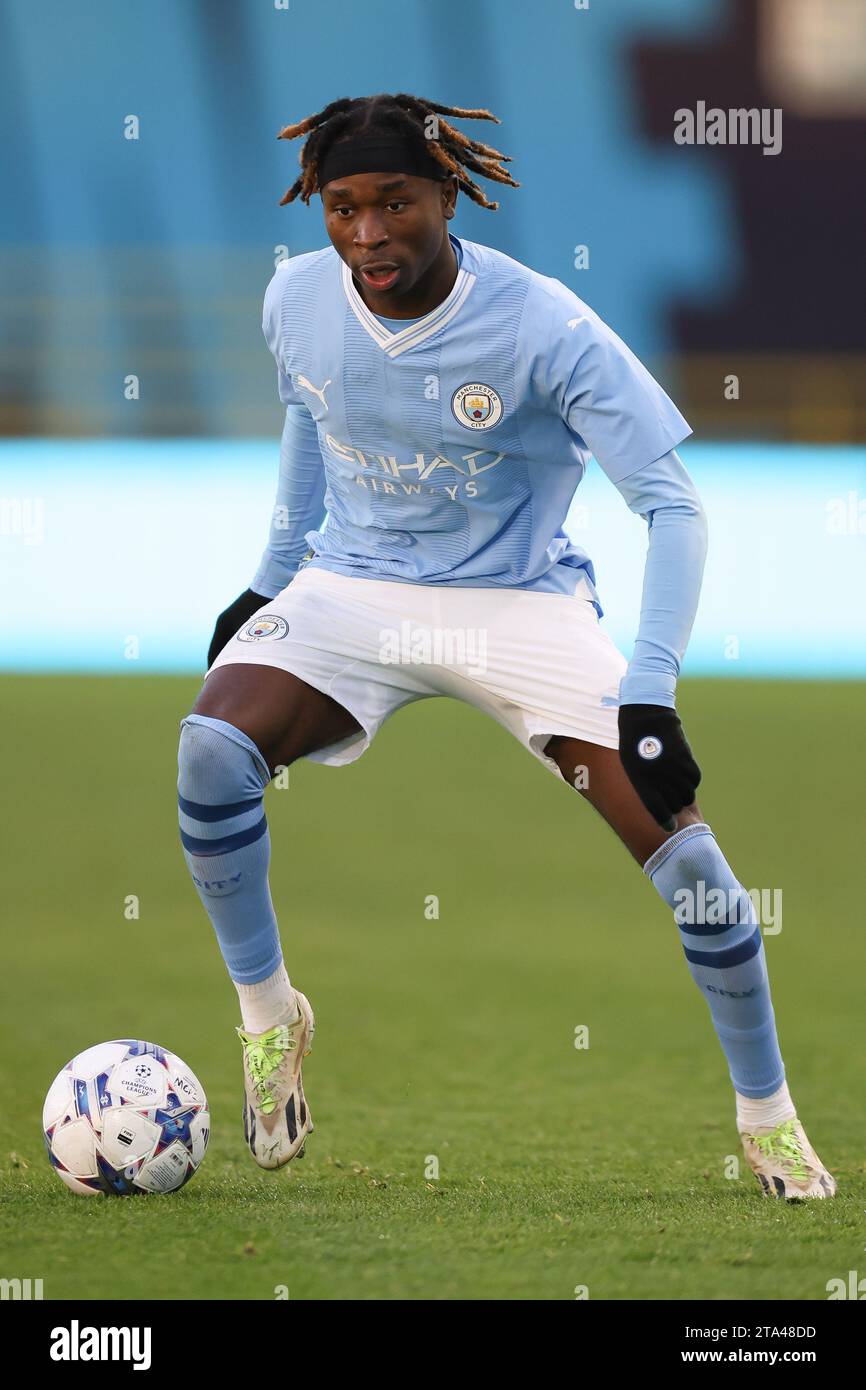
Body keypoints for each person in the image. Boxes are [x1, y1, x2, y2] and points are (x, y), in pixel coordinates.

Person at [177, 92, 834, 1199]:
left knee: (697, 870)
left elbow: (671, 506)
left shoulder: (546, 326)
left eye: (394, 203)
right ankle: (267, 1018)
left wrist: (651, 695)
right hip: (353, 586)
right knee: (206, 750)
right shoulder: (295, 296)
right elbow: (309, 414)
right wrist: (268, 578)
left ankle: (765, 1115)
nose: (368, 234)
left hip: (516, 604)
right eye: (343, 208)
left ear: (446, 195)